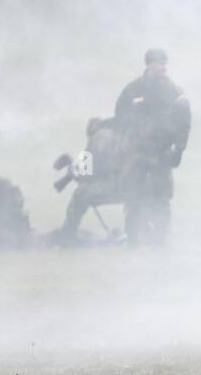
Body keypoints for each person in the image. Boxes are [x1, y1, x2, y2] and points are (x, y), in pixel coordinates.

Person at [114, 48, 191, 248]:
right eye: (158, 63)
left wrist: (179, 149)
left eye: (165, 63)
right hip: (136, 153)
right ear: (148, 65)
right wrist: (125, 142)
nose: (163, 67)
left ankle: (160, 242)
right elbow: (119, 118)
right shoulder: (132, 90)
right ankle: (133, 240)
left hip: (161, 153)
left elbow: (184, 121)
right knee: (132, 196)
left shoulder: (174, 91)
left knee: (162, 198)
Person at [55, 116, 122, 244]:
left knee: (79, 196)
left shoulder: (98, 138)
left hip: (110, 186)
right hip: (126, 184)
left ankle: (68, 236)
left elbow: (86, 172)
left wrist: (72, 170)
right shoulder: (118, 136)